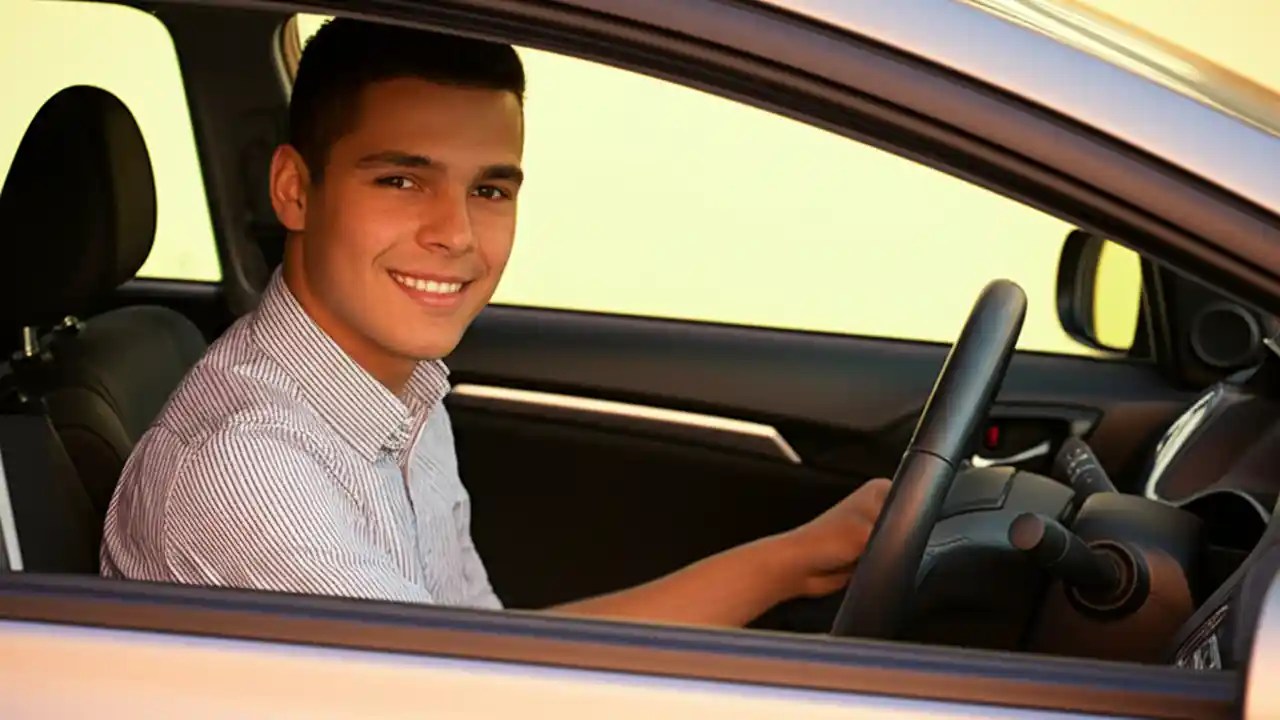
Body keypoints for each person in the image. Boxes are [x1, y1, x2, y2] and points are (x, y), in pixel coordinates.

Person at [101, 18, 891, 627]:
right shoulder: (250, 476)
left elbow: (493, 659)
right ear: (295, 191)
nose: (457, 235)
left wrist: (793, 561)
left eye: (489, 190)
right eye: (403, 180)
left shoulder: (400, 400)